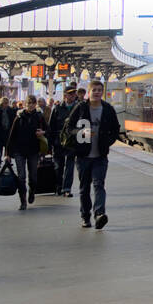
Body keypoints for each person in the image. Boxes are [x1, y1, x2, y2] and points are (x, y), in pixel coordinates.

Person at [64, 79, 120, 230]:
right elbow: (69, 127)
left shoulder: (107, 108)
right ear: (88, 92)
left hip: (100, 156)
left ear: (102, 92)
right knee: (84, 188)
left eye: (99, 90)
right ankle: (85, 216)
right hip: (83, 155)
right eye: (94, 90)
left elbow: (116, 129)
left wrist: (107, 141)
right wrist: (82, 133)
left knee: (99, 185)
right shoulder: (81, 108)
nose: (96, 92)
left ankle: (100, 214)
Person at [4, 94, 47, 210]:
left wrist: (42, 133)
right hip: (19, 150)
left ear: (35, 104)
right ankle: (23, 200)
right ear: (25, 104)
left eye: (33, 103)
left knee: (33, 176)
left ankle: (32, 191)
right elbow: (11, 135)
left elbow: (47, 131)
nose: (30, 105)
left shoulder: (39, 117)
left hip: (33, 150)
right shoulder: (19, 117)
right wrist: (7, 153)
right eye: (29, 103)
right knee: (21, 176)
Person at [48, 83, 79, 197]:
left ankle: (67, 189)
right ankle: (58, 186)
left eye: (74, 94)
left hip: (72, 141)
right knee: (58, 166)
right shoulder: (57, 108)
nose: (72, 96)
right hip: (58, 141)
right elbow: (51, 126)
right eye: (70, 94)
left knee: (70, 165)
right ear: (65, 95)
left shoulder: (79, 108)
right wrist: (49, 144)